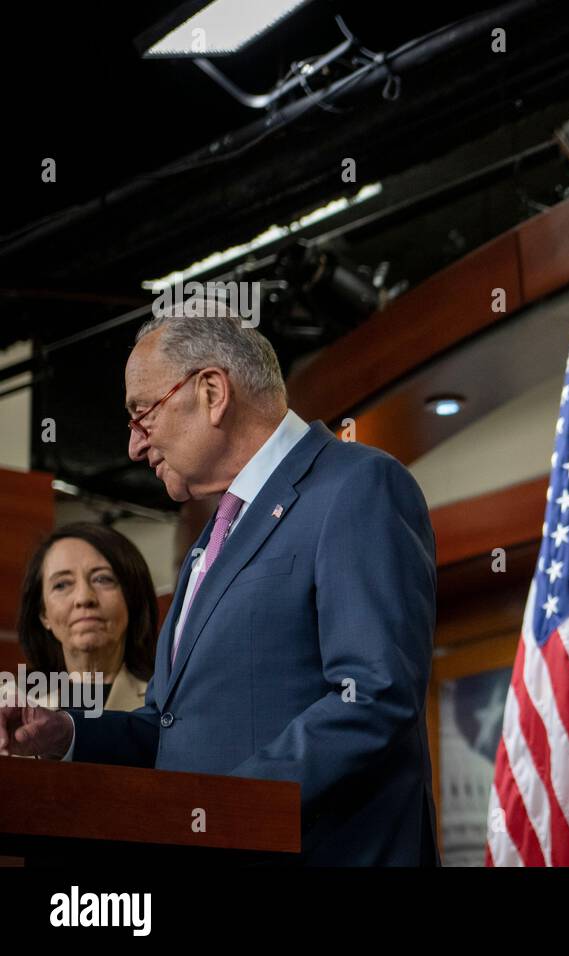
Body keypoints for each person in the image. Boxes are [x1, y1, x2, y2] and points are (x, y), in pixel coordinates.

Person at [0, 300, 440, 866]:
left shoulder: (357, 486)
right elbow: (168, 727)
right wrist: (67, 732)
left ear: (211, 392)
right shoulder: (211, 541)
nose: (135, 444)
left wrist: (215, 813)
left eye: (143, 413)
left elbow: (374, 696)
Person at [17, 522, 158, 713]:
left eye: (103, 579)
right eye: (61, 585)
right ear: (43, 614)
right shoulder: (12, 704)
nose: (84, 598)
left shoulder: (164, 702)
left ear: (132, 599)